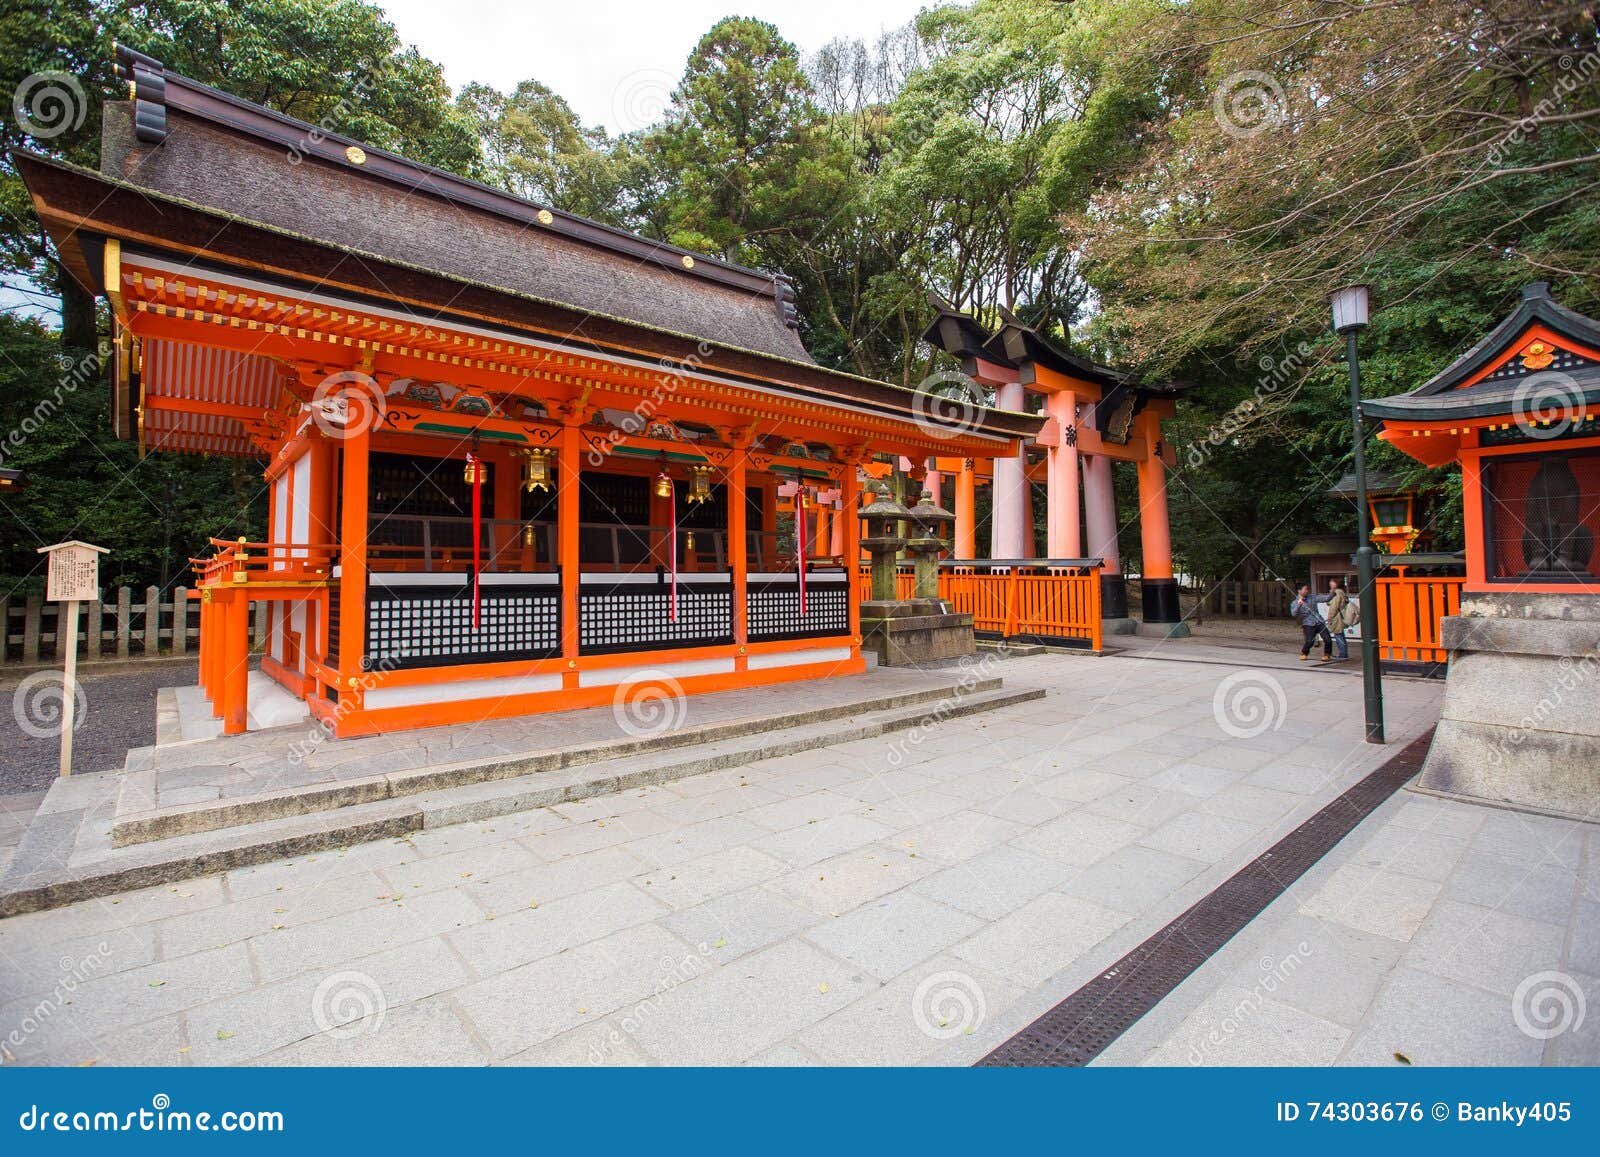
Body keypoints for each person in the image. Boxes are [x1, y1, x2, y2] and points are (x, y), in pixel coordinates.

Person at [1291, 582, 1332, 662]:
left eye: (1307, 589)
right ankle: (1304, 653)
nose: (1307, 591)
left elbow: (1326, 598)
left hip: (1319, 621)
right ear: (1299, 591)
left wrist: (1333, 591)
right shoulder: (1295, 602)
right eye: (1305, 589)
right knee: (1310, 641)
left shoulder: (1312, 597)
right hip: (1308, 623)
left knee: (1327, 639)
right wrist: (1299, 604)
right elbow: (1293, 613)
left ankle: (1327, 654)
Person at [1324, 578, 1353, 660]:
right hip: (1340, 616)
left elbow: (1334, 606)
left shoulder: (1337, 593)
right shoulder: (1341, 592)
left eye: (1332, 583)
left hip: (1336, 617)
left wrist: (1330, 618)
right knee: (1340, 635)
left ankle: (1343, 654)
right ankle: (1343, 653)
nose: (1330, 584)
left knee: (1338, 635)